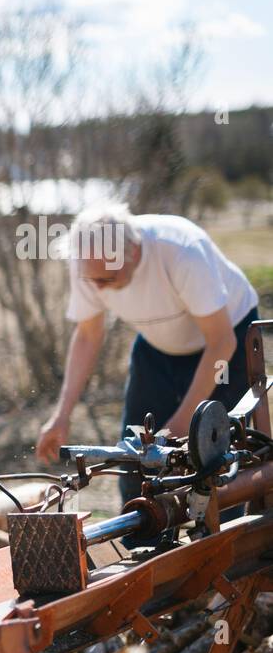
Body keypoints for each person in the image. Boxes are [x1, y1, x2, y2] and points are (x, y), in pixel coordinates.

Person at [36, 205, 259, 504]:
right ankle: (142, 542)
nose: (99, 288)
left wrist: (182, 425)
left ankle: (224, 540)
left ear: (133, 252)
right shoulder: (90, 262)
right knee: (135, 451)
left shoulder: (181, 252)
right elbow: (88, 335)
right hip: (158, 344)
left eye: (107, 279)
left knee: (214, 451)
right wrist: (61, 415)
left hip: (225, 344)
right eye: (93, 280)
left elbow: (221, 342)